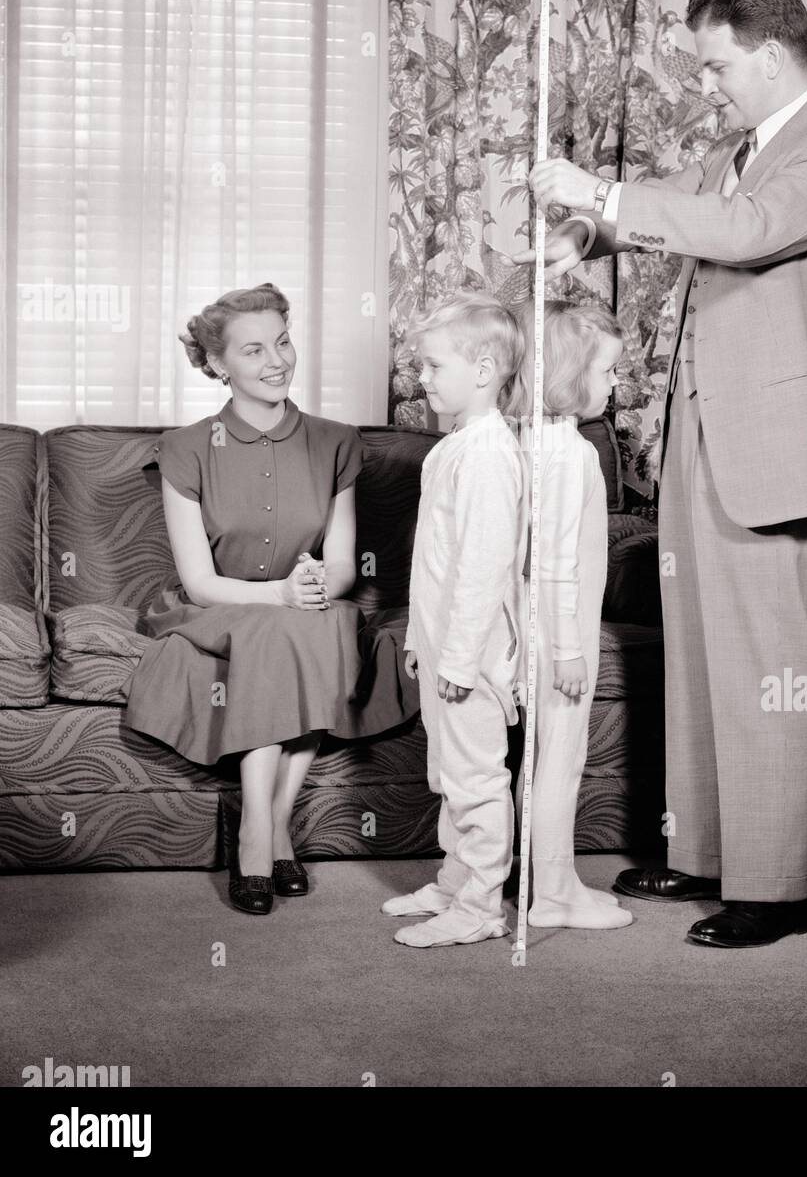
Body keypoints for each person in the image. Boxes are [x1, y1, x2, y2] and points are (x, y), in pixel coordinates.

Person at [522, 0, 807, 948]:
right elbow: (674, 213)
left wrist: (599, 184)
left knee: (764, 666)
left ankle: (775, 890)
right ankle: (703, 855)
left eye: (717, 66)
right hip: (701, 438)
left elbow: (744, 234)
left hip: (769, 446)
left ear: (769, 54)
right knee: (698, 658)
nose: (709, 85)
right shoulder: (744, 148)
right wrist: (582, 237)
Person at [125, 282, 407, 916]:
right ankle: (267, 827)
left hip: (309, 607)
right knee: (272, 629)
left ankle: (266, 824)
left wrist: (311, 587)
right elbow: (199, 581)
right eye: (253, 351)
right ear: (219, 364)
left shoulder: (335, 441)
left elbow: (340, 563)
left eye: (282, 342)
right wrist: (278, 593)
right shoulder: (185, 448)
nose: (277, 360)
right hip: (220, 608)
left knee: (314, 625)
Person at [381, 291, 528, 948]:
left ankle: (479, 907)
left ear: (484, 368)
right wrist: (421, 637)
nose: (423, 378)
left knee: (475, 781)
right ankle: (453, 882)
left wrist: (463, 658)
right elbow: (433, 565)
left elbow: (483, 569)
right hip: (443, 647)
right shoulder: (452, 449)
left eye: (434, 366)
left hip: (473, 657)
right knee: (448, 775)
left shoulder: (491, 456)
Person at [510, 298, 633, 930]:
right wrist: (568, 649)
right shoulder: (570, 452)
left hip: (530, 627)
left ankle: (541, 878)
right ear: (567, 372)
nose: (617, 383)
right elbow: (555, 563)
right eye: (609, 371)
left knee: (534, 757)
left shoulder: (526, 440)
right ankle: (553, 891)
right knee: (560, 756)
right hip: (559, 632)